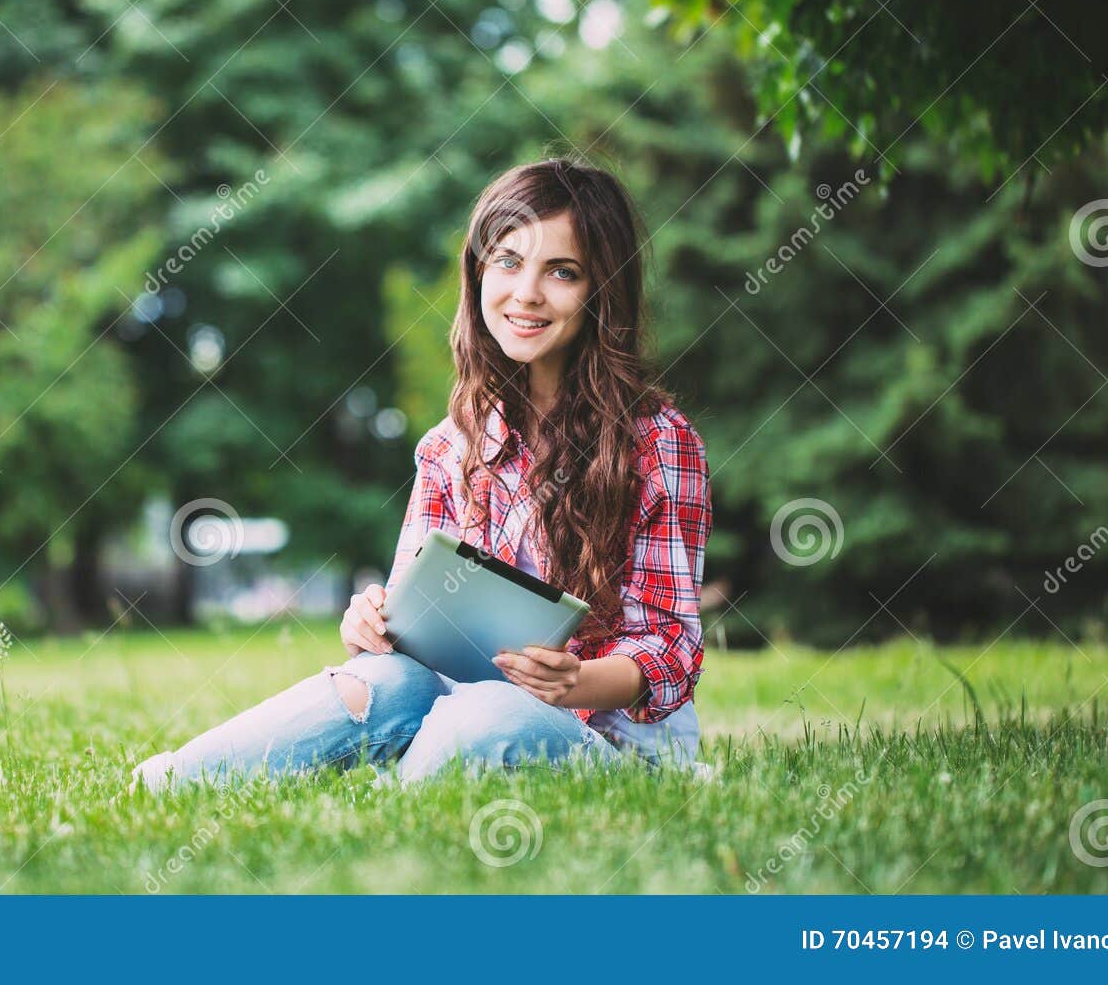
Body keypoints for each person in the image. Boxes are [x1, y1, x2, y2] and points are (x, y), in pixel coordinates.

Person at [130, 157, 712, 791]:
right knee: (383, 679)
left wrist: (574, 682)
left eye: (562, 271)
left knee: (488, 710)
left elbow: (670, 647)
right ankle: (177, 780)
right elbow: (418, 624)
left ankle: (387, 805)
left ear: (602, 290)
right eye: (508, 261)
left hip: (614, 745)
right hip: (461, 704)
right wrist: (372, 623)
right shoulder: (449, 446)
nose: (527, 293)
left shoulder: (657, 442)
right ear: (478, 271)